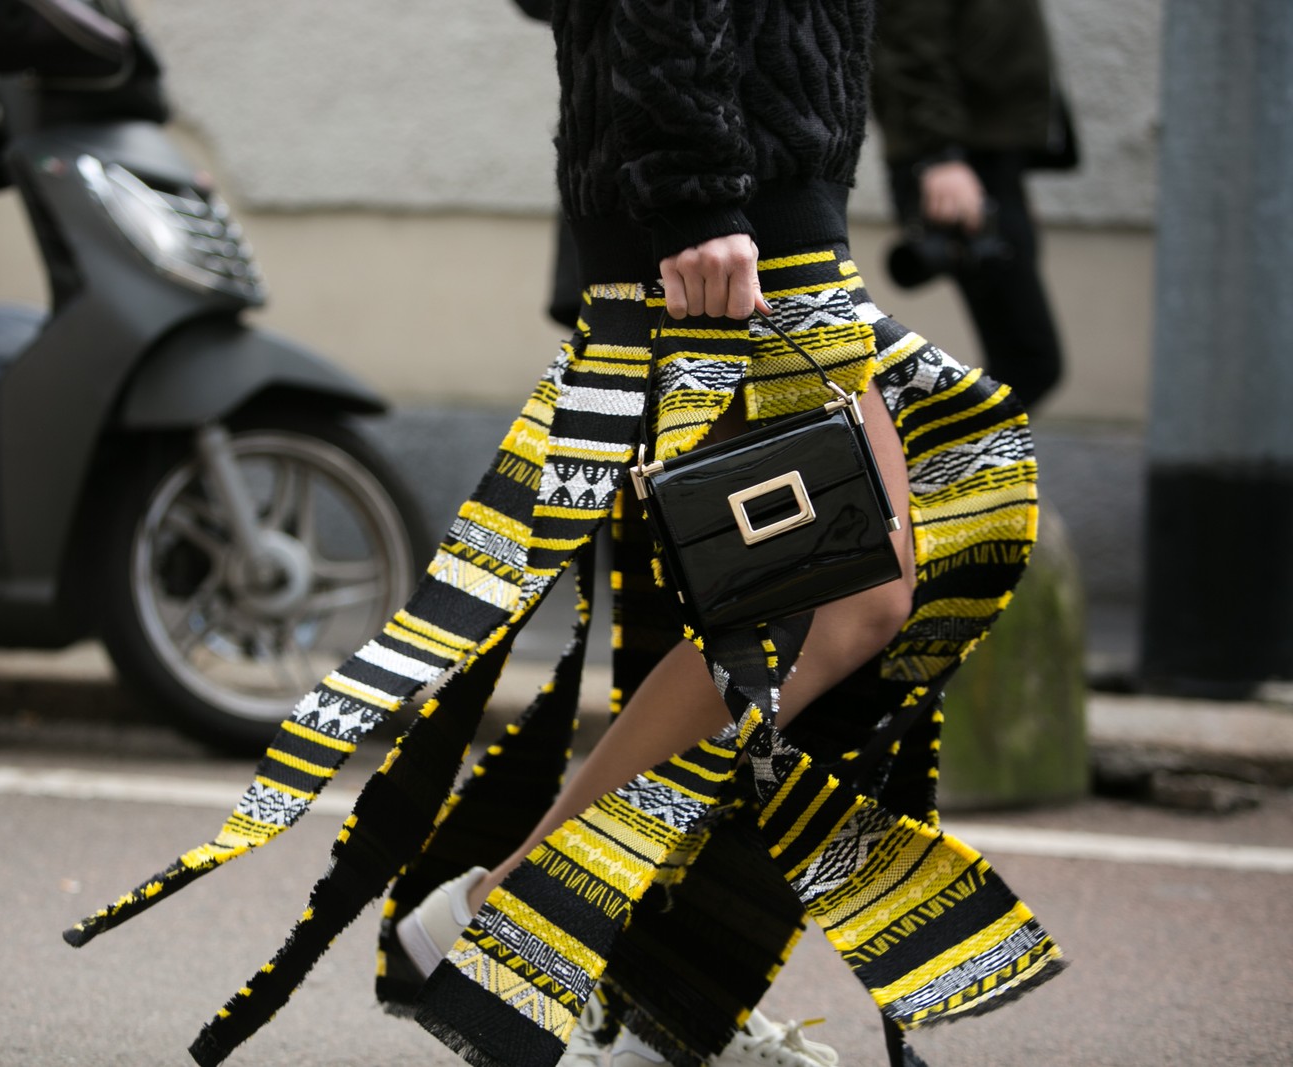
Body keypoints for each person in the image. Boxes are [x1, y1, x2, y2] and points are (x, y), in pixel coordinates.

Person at [64, 5, 1062, 1067]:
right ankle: (519, 920)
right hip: (726, 211)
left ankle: (643, 985)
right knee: (831, 603)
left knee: (812, 605)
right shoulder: (706, 195)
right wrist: (694, 192)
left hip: (765, 187)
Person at [871, 0, 1075, 412]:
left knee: (1021, 358)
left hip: (988, 162)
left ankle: (924, 464)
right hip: (959, 163)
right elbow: (907, 41)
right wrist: (938, 155)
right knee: (1029, 360)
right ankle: (907, 463)